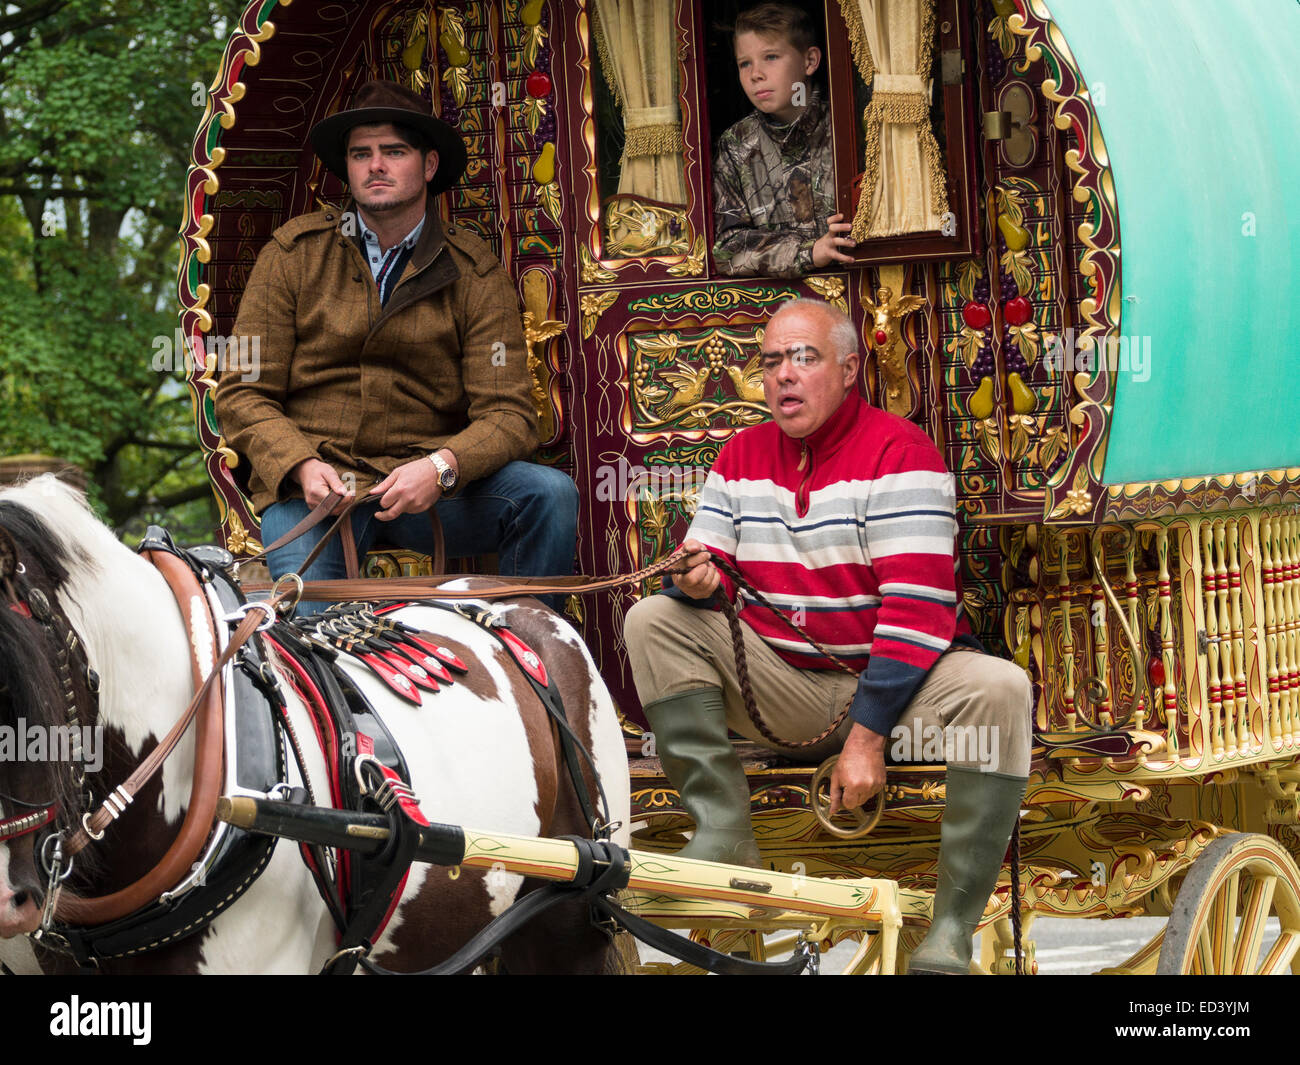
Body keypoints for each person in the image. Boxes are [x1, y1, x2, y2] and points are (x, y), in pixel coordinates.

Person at [624, 298, 1031, 975]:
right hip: (784, 690)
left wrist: (868, 738)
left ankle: (951, 928)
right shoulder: (741, 455)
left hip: (903, 703)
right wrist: (696, 580)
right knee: (654, 619)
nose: (784, 375)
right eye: (772, 361)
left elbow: (918, 612)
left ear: (848, 368)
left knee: (1001, 689)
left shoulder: (903, 452)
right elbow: (713, 575)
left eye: (803, 358)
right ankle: (723, 830)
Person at [216, 80, 576, 607]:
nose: (375, 166)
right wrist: (299, 464)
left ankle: (530, 655)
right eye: (361, 154)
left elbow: (509, 414)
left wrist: (441, 468)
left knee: (548, 495)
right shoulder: (293, 253)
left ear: (428, 165)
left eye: (393, 152)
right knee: (309, 641)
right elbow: (242, 391)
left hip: (427, 493)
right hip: (316, 491)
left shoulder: (473, 269)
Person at [711, 3, 855, 278]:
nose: (756, 74)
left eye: (771, 57)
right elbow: (727, 249)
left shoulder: (846, 126)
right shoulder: (737, 144)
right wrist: (810, 253)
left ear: (810, 61)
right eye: (745, 63)